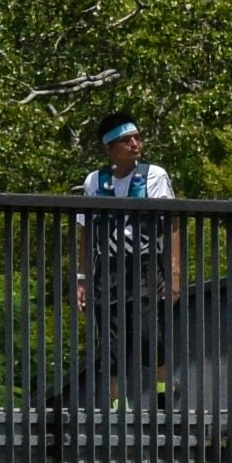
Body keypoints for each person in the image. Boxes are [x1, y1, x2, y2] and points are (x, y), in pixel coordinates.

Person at [72, 111, 182, 404]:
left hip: (144, 264)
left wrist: (174, 272)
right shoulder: (95, 181)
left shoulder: (153, 175)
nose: (135, 144)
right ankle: (116, 403)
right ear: (110, 148)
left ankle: (164, 390)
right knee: (110, 341)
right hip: (106, 267)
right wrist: (82, 278)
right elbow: (87, 231)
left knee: (148, 333)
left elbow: (171, 223)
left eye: (137, 138)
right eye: (126, 140)